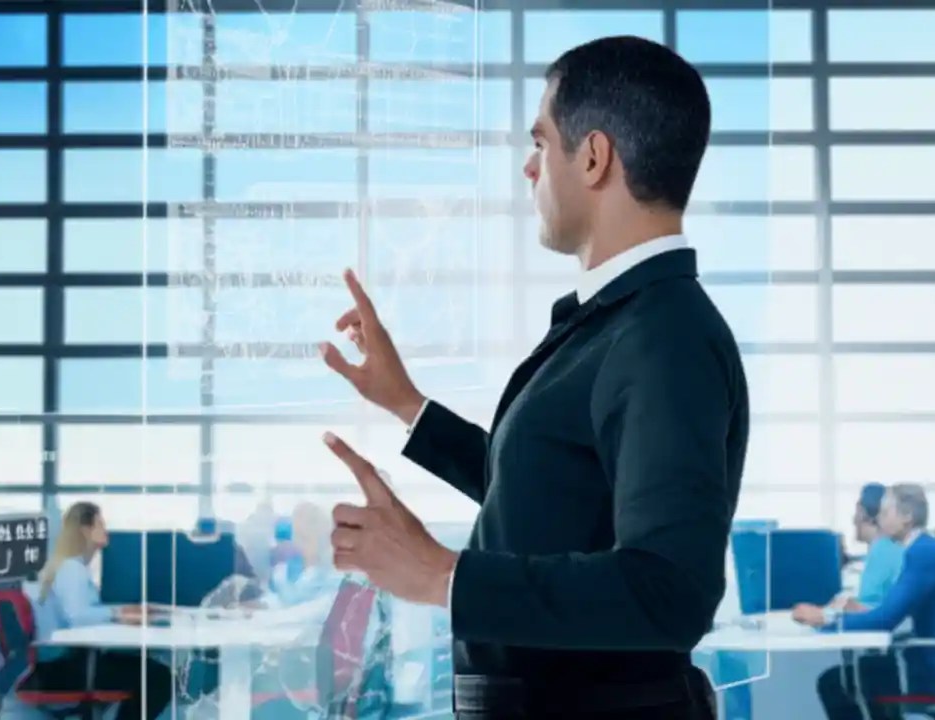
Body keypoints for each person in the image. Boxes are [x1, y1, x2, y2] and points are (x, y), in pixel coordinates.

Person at [317, 35, 746, 719]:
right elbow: (550, 499)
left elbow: (670, 592)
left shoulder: (665, 339)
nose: (528, 166)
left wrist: (442, 575)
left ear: (596, 157)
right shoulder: (620, 324)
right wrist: (409, 406)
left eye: (542, 144)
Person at [793, 485, 935, 720]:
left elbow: (885, 620)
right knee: (848, 679)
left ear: (907, 517)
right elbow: (890, 610)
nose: (878, 519)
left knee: (837, 684)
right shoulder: (924, 549)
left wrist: (826, 618)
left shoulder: (922, 554)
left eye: (885, 513)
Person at [25, 502, 172, 720]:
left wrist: (123, 610)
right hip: (68, 669)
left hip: (64, 665)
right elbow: (77, 616)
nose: (106, 530)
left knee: (150, 671)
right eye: (100, 524)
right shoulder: (71, 569)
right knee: (158, 678)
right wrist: (119, 615)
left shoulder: (69, 566)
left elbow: (86, 609)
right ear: (85, 530)